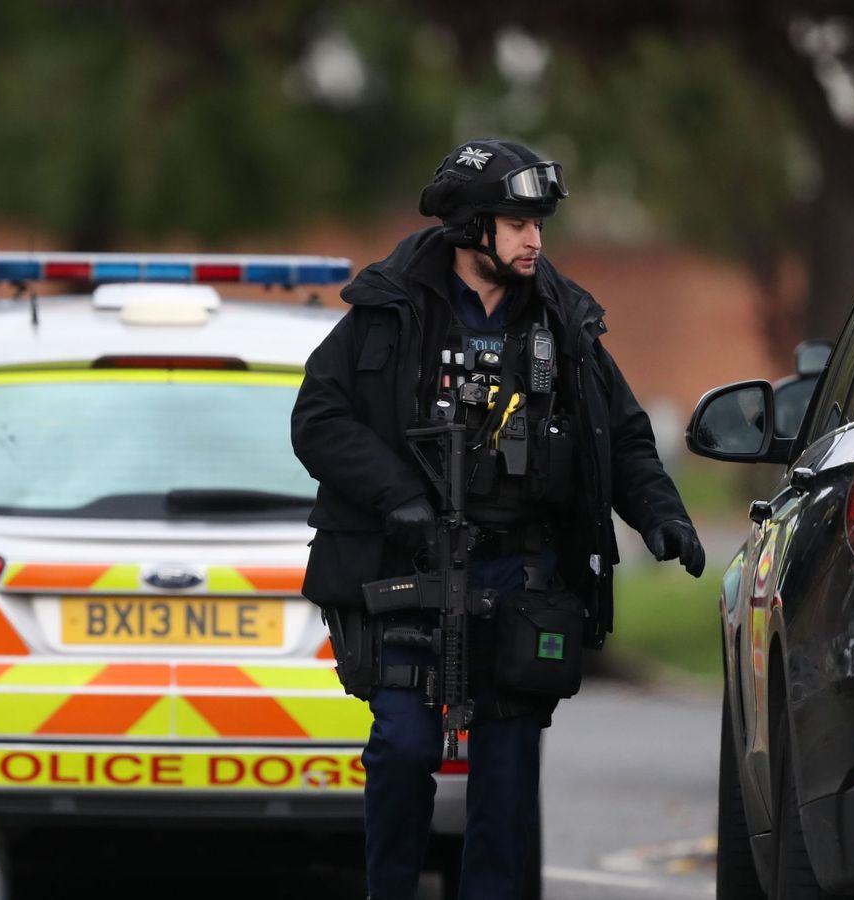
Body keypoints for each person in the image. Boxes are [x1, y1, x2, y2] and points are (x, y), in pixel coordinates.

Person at [291, 138, 706, 900]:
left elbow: (621, 433)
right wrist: (398, 496)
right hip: (410, 569)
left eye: (539, 224)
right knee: (403, 747)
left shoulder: (564, 322)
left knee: (508, 772)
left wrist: (661, 517)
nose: (534, 240)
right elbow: (318, 419)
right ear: (471, 228)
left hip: (523, 576)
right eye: (517, 223)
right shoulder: (390, 310)